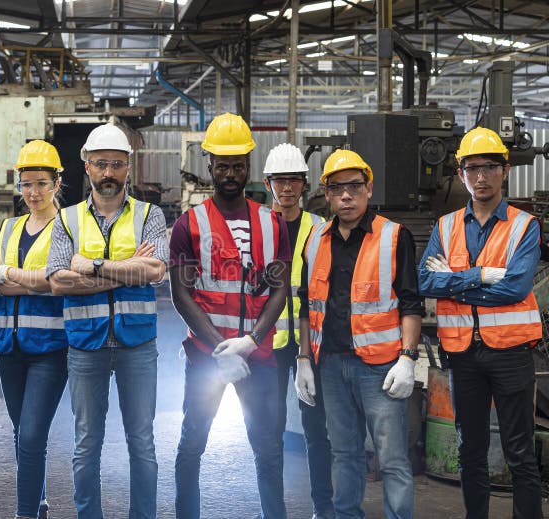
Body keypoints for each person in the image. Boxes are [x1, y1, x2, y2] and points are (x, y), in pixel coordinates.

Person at [170, 113, 291, 519]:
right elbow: (181, 294)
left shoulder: (272, 223)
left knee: (268, 447)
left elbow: (279, 290)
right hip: (207, 357)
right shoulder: (189, 224)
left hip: (257, 357)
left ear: (248, 167)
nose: (230, 173)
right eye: (222, 164)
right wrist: (221, 351)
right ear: (209, 165)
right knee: (191, 445)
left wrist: (252, 340)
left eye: (238, 164)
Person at [419, 127, 543, 519]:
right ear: (460, 174)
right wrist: (482, 275)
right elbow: (424, 280)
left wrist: (453, 283)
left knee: (519, 452)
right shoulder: (445, 226)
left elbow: (516, 288)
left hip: (511, 354)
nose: (481, 177)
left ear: (505, 171)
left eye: (490, 167)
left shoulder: (525, 226)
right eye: (473, 168)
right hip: (462, 356)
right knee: (469, 450)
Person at [46, 123, 168, 518]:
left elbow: (155, 272)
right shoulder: (67, 219)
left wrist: (93, 265)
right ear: (87, 167)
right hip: (86, 342)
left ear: (128, 168)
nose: (108, 173)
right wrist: (128, 268)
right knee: (86, 443)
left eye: (116, 164)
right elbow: (58, 280)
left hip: (137, 344)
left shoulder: (151, 214)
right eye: (100, 164)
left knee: (142, 441)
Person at [295, 149, 423, 519]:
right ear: (327, 194)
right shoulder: (315, 240)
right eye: (337, 189)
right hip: (331, 364)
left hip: (380, 367)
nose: (346, 196)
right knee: (344, 452)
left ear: (369, 188)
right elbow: (307, 305)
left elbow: (411, 303)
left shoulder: (394, 236)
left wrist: (408, 358)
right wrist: (305, 359)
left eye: (354, 187)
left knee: (393, 458)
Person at [0, 140, 67, 519]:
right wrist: (27, 279)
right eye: (26, 183)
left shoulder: (69, 226)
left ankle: (25, 513)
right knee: (22, 434)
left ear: (57, 183)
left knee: (32, 436)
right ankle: (41, 502)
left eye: (42, 183)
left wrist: (9, 274)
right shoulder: (10, 226)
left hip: (50, 347)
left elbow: (56, 282)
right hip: (9, 347)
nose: (33, 192)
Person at [262, 143, 334, 519]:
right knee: (268, 433)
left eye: (293, 180)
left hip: (311, 344)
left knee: (316, 432)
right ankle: (272, 511)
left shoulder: (319, 229)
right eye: (279, 180)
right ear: (267, 182)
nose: (286, 188)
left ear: (304, 184)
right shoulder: (256, 226)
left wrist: (309, 353)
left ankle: (323, 509)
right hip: (267, 343)